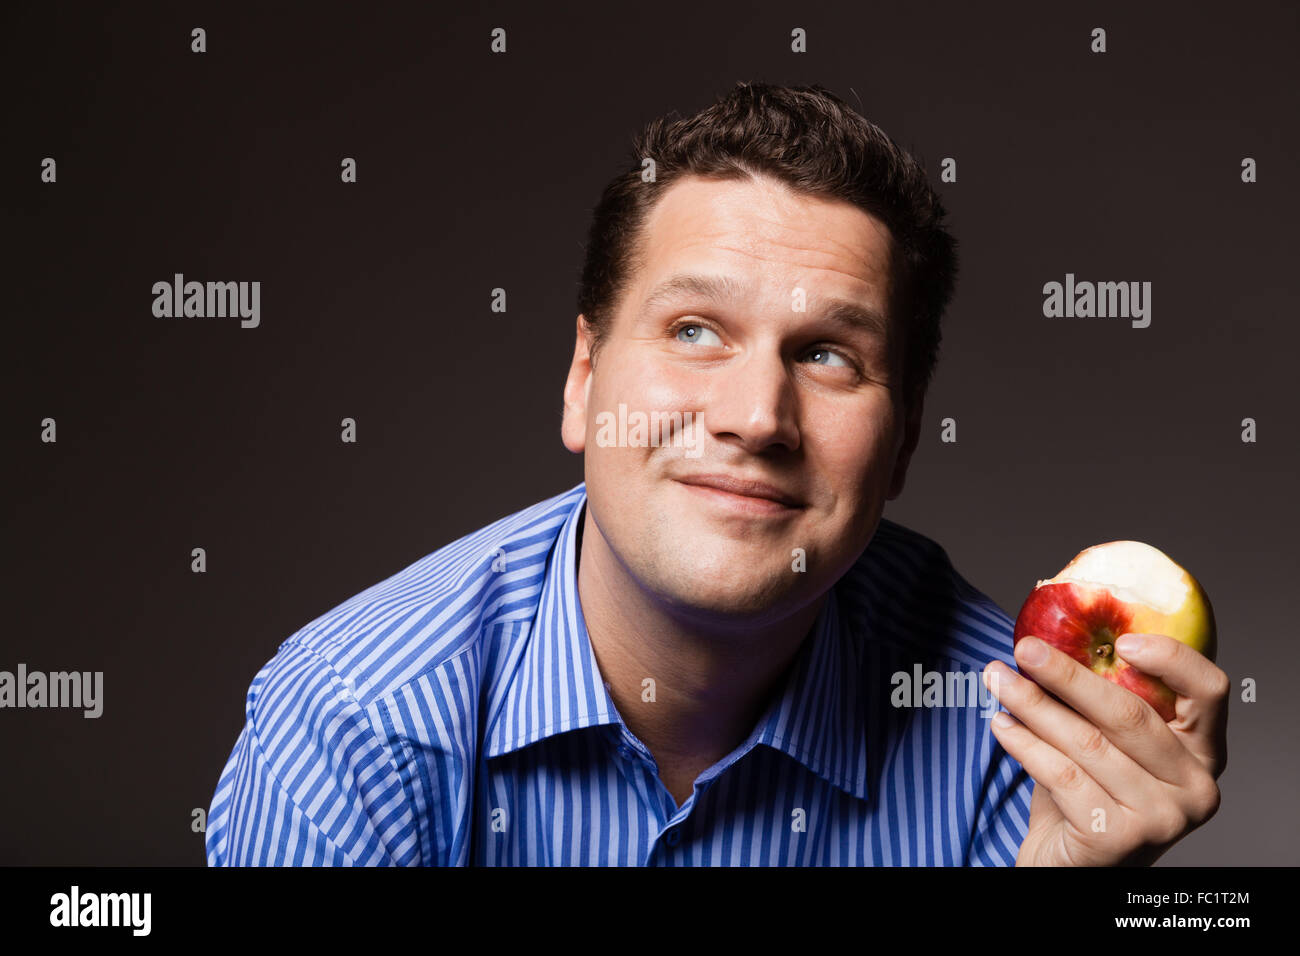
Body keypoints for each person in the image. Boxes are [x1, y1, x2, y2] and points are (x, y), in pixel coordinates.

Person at [205, 81, 1227, 866]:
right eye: (695, 330)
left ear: (906, 435)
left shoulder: (1009, 729)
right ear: (582, 379)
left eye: (829, 352)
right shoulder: (355, 722)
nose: (755, 417)